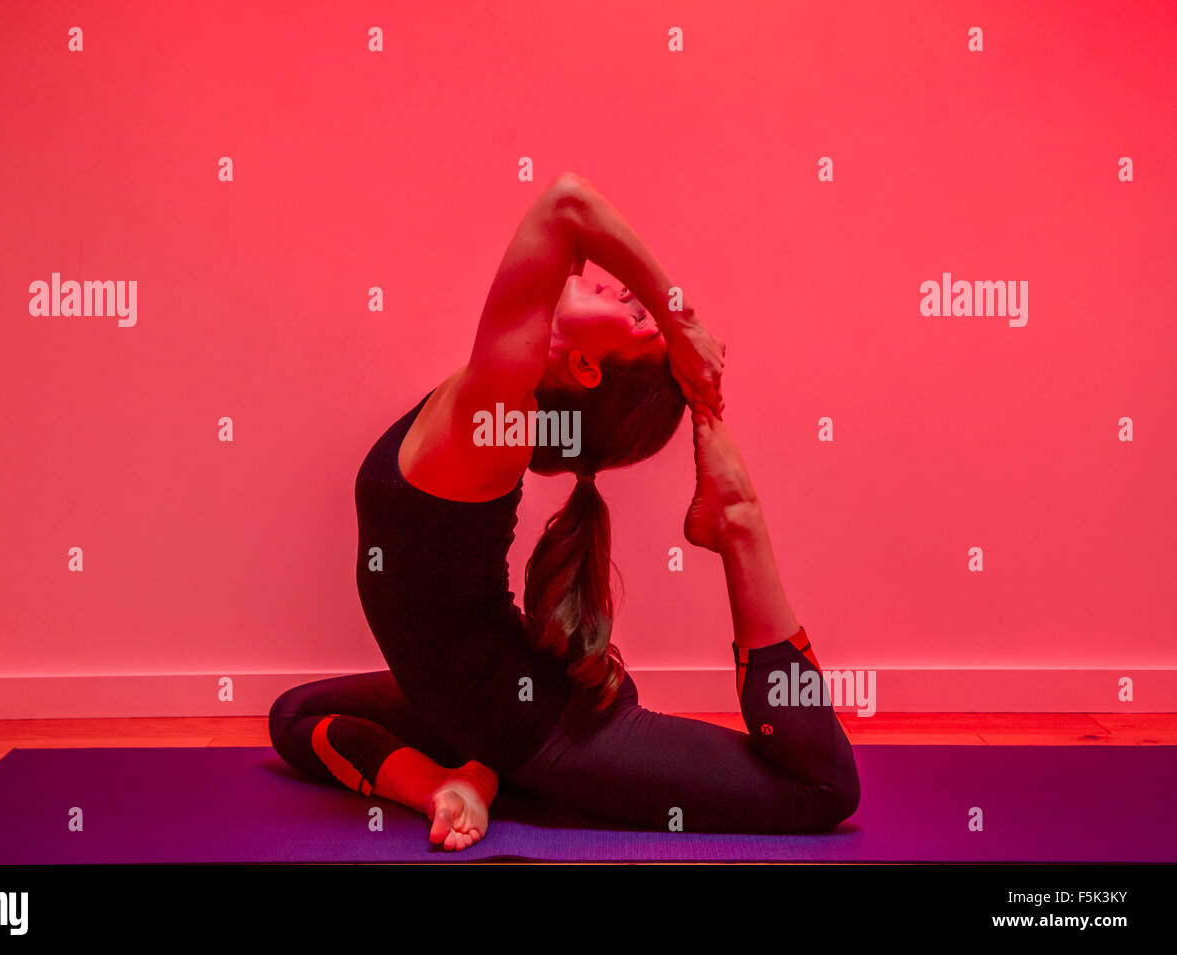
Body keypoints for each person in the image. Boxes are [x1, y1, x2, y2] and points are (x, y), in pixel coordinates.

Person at [269, 172, 859, 851]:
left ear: (583, 368)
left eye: (634, 316)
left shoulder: (496, 411)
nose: (622, 289)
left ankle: (737, 522)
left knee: (821, 788)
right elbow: (573, 226)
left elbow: (566, 205)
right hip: (487, 705)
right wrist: (670, 323)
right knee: (298, 711)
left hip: (546, 726)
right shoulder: (499, 397)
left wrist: (679, 321)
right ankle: (455, 781)